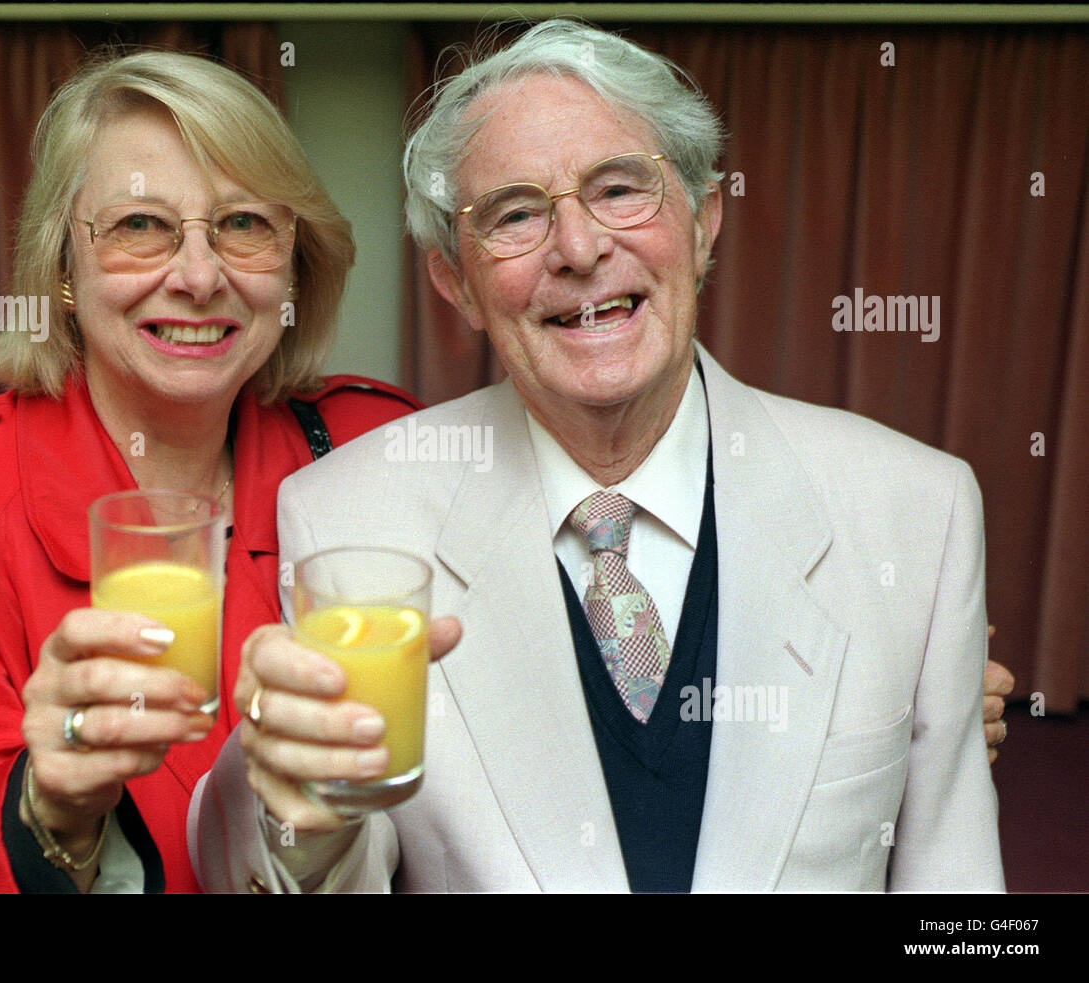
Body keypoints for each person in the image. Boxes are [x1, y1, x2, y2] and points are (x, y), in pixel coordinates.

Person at [190, 19, 1007, 892]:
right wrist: (296, 801)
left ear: (704, 222)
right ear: (455, 283)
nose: (578, 250)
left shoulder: (917, 510)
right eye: (514, 214)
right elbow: (333, 869)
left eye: (621, 190)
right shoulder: (350, 512)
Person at [0, 50, 419, 893]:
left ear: (296, 263)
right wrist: (46, 812)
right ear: (62, 272)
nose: (199, 277)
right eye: (138, 226)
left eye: (243, 224)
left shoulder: (382, 446)